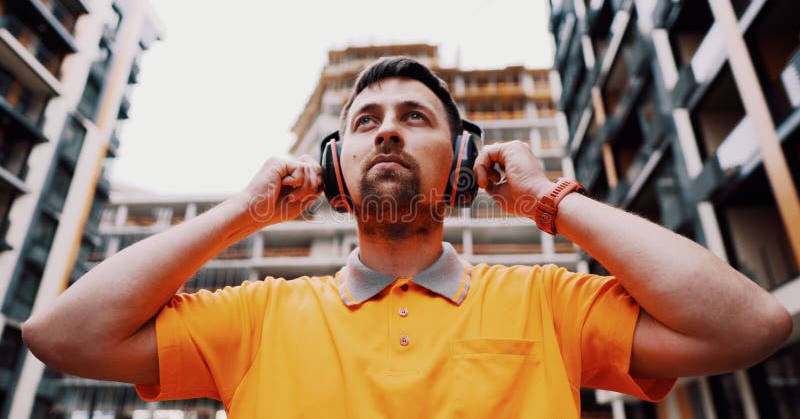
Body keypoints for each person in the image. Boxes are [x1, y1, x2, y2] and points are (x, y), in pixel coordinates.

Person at [23, 57, 791, 418]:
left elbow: (752, 326)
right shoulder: (256, 318)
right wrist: (242, 214)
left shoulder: (550, 304)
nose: (387, 131)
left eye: (414, 118)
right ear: (336, 169)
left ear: (461, 163)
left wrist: (548, 200)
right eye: (366, 122)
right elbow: (61, 336)